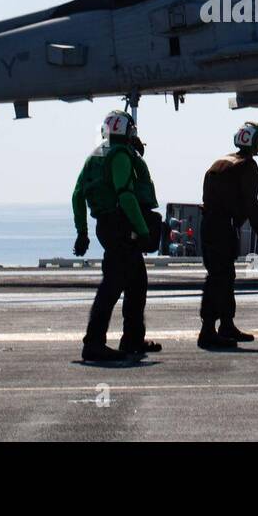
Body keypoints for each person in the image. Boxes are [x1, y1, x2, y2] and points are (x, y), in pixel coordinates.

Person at [72, 110, 162, 362]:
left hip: (106, 225)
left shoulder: (95, 155)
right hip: (122, 226)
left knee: (137, 283)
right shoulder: (120, 155)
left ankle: (133, 339)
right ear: (129, 131)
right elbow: (125, 194)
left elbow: (77, 195)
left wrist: (82, 232)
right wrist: (142, 230)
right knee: (112, 286)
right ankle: (94, 343)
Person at [197, 121, 258, 349]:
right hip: (223, 228)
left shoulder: (220, 162)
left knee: (224, 276)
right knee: (219, 277)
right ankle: (208, 330)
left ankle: (227, 324)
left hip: (209, 225)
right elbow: (251, 205)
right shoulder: (247, 166)